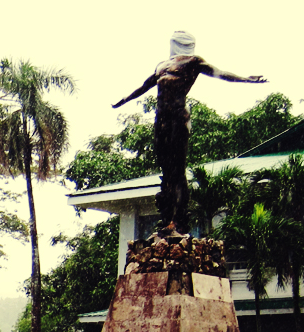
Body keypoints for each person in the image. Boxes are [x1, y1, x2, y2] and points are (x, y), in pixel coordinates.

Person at [113, 32, 265, 234]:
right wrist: (125, 99)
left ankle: (179, 218)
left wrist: (246, 79)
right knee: (166, 170)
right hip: (162, 120)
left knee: (177, 169)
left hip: (178, 117)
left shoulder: (194, 61)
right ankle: (167, 218)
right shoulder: (162, 65)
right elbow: (144, 86)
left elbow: (220, 73)